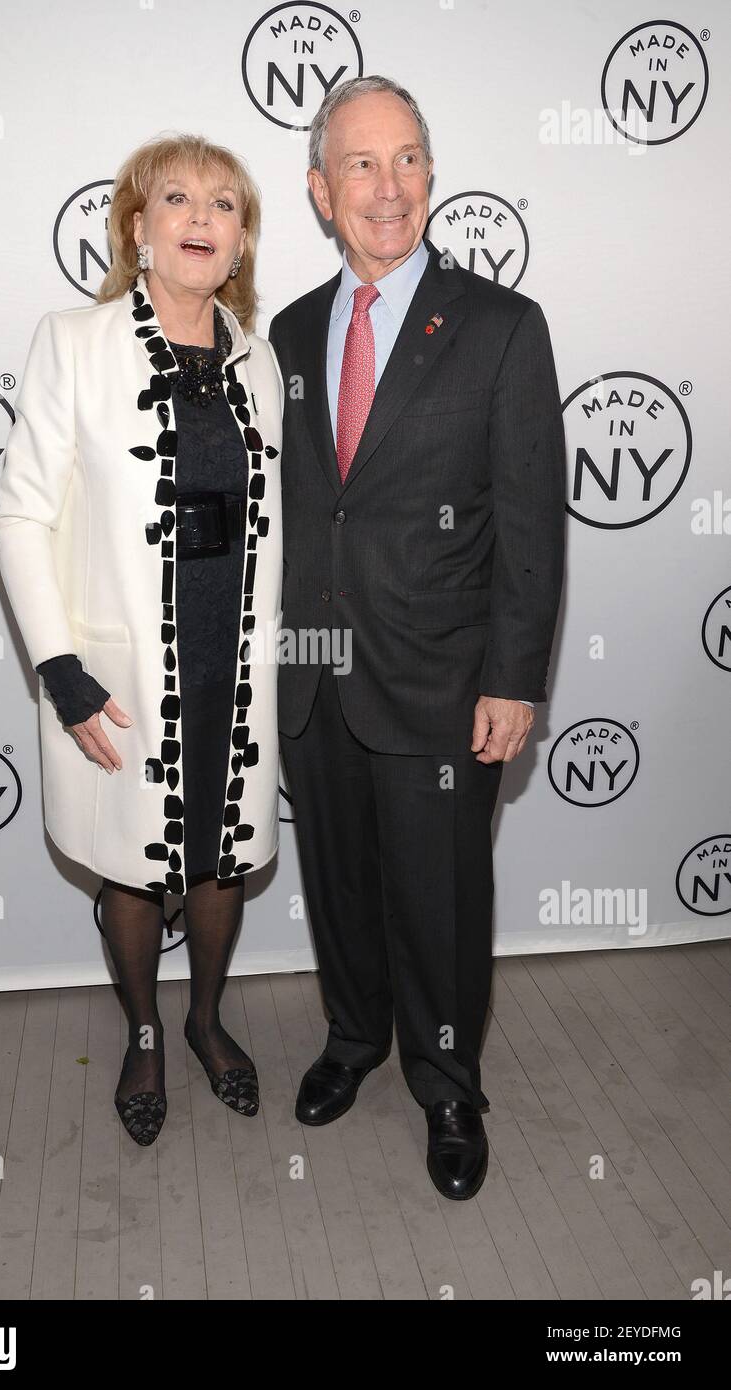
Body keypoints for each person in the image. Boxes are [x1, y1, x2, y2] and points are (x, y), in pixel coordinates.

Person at [268, 77, 565, 1199]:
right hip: (313, 675)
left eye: (405, 161)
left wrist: (513, 679)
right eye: (358, 164)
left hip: (444, 681)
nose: (385, 188)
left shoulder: (499, 326)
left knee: (439, 896)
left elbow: (530, 520)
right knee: (338, 879)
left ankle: (446, 1084)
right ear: (318, 189)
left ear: (430, 177)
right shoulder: (290, 331)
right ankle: (353, 1041)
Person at [0, 135, 284, 1146]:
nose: (201, 217)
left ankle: (204, 1018)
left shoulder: (260, 359)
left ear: (239, 243)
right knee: (129, 864)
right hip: (119, 668)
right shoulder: (74, 342)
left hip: (229, 662)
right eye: (175, 198)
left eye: (224, 205)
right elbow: (21, 515)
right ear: (137, 229)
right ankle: (145, 1030)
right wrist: (60, 671)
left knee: (215, 860)